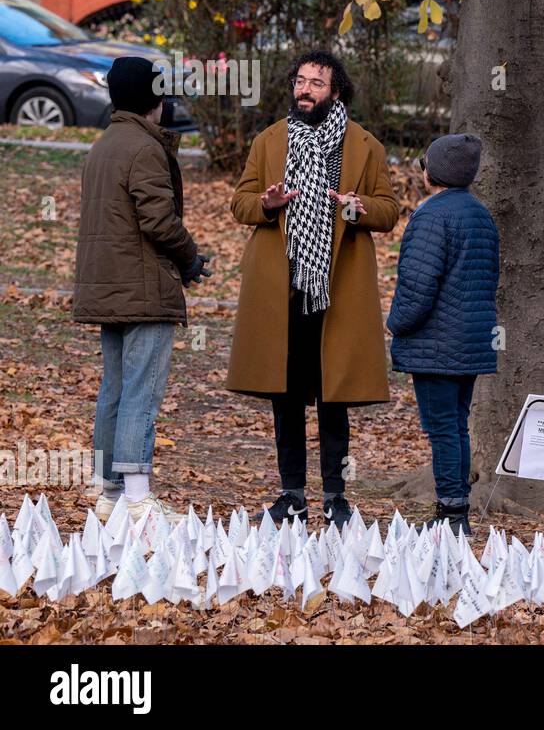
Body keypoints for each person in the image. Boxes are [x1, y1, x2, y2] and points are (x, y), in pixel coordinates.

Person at [227, 51, 398, 528]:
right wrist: (266, 203)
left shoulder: (364, 146)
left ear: (335, 92)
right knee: (285, 398)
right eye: (299, 82)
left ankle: (336, 497)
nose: (304, 90)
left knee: (333, 399)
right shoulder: (269, 141)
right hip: (281, 291)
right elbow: (240, 203)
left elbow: (389, 210)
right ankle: (292, 493)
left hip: (337, 291)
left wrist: (356, 207)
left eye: (316, 84)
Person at [74, 56, 212, 524]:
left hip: (107, 285)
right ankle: (138, 500)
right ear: (155, 99)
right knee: (141, 391)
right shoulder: (145, 149)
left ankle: (109, 493)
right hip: (144, 288)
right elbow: (159, 221)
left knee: (113, 387)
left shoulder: (104, 145)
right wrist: (190, 259)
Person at [387, 133, 500, 537]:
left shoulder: (432, 215)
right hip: (469, 340)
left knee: (442, 429)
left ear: (432, 170)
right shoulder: (481, 215)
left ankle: (451, 515)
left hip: (436, 343)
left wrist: (396, 322)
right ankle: (458, 510)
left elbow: (418, 285)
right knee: (456, 425)